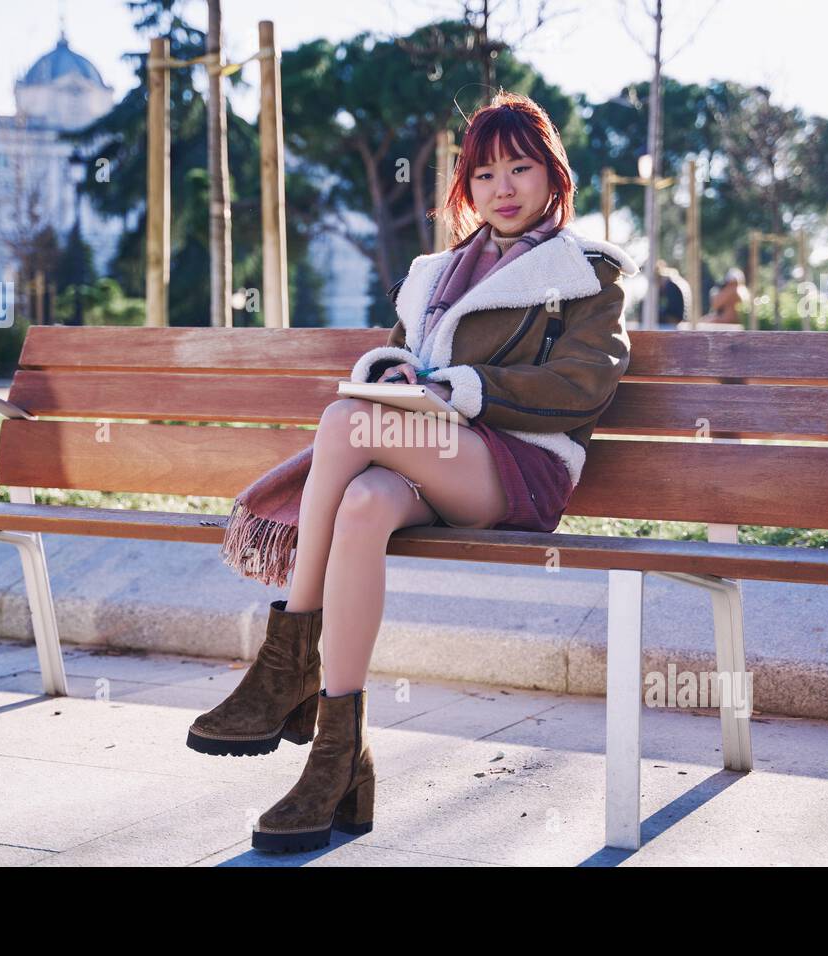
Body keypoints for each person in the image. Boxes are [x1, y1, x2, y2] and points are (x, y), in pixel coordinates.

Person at [187, 90, 638, 854]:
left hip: (518, 468)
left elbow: (584, 385)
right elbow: (400, 355)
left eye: (520, 168)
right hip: (428, 458)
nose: (503, 188)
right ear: (467, 186)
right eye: (486, 173)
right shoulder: (435, 272)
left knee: (343, 421)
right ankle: (339, 756)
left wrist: (459, 391)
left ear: (552, 176)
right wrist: (399, 378)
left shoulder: (586, 272)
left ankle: (285, 660)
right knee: (362, 502)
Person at [655, 259, 693, 325]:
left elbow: (674, 315)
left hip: (677, 322)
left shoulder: (672, 286)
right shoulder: (674, 282)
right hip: (680, 321)